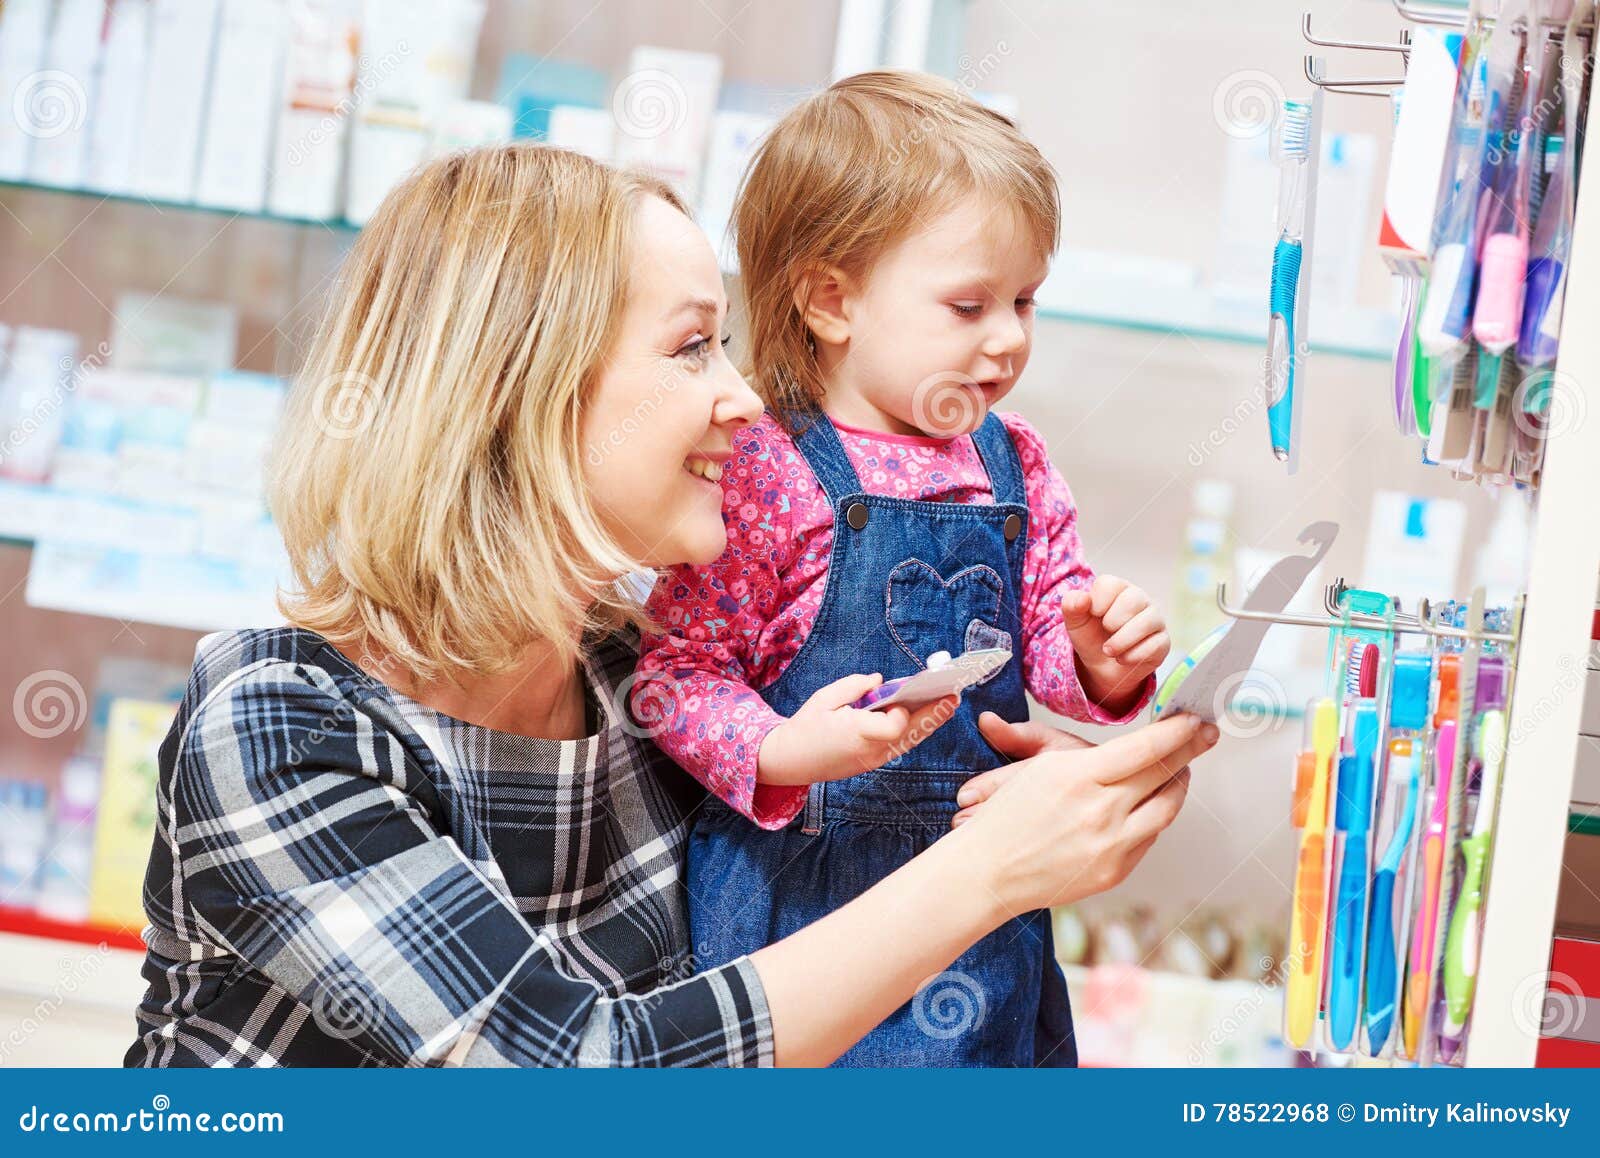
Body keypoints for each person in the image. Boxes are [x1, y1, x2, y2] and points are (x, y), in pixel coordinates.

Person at [124, 142, 1212, 1068]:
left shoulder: (636, 687)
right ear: (521, 390)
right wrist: (988, 871)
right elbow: (575, 1075)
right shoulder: (283, 720)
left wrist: (974, 790)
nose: (743, 398)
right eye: (692, 346)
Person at [633, 71, 1171, 1065]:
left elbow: (1046, 664)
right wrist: (784, 753)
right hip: (805, 920)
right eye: (967, 305)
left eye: (1023, 301)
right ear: (831, 299)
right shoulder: (765, 469)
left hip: (988, 914)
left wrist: (1097, 660)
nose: (1008, 338)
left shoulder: (1016, 461)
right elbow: (673, 675)